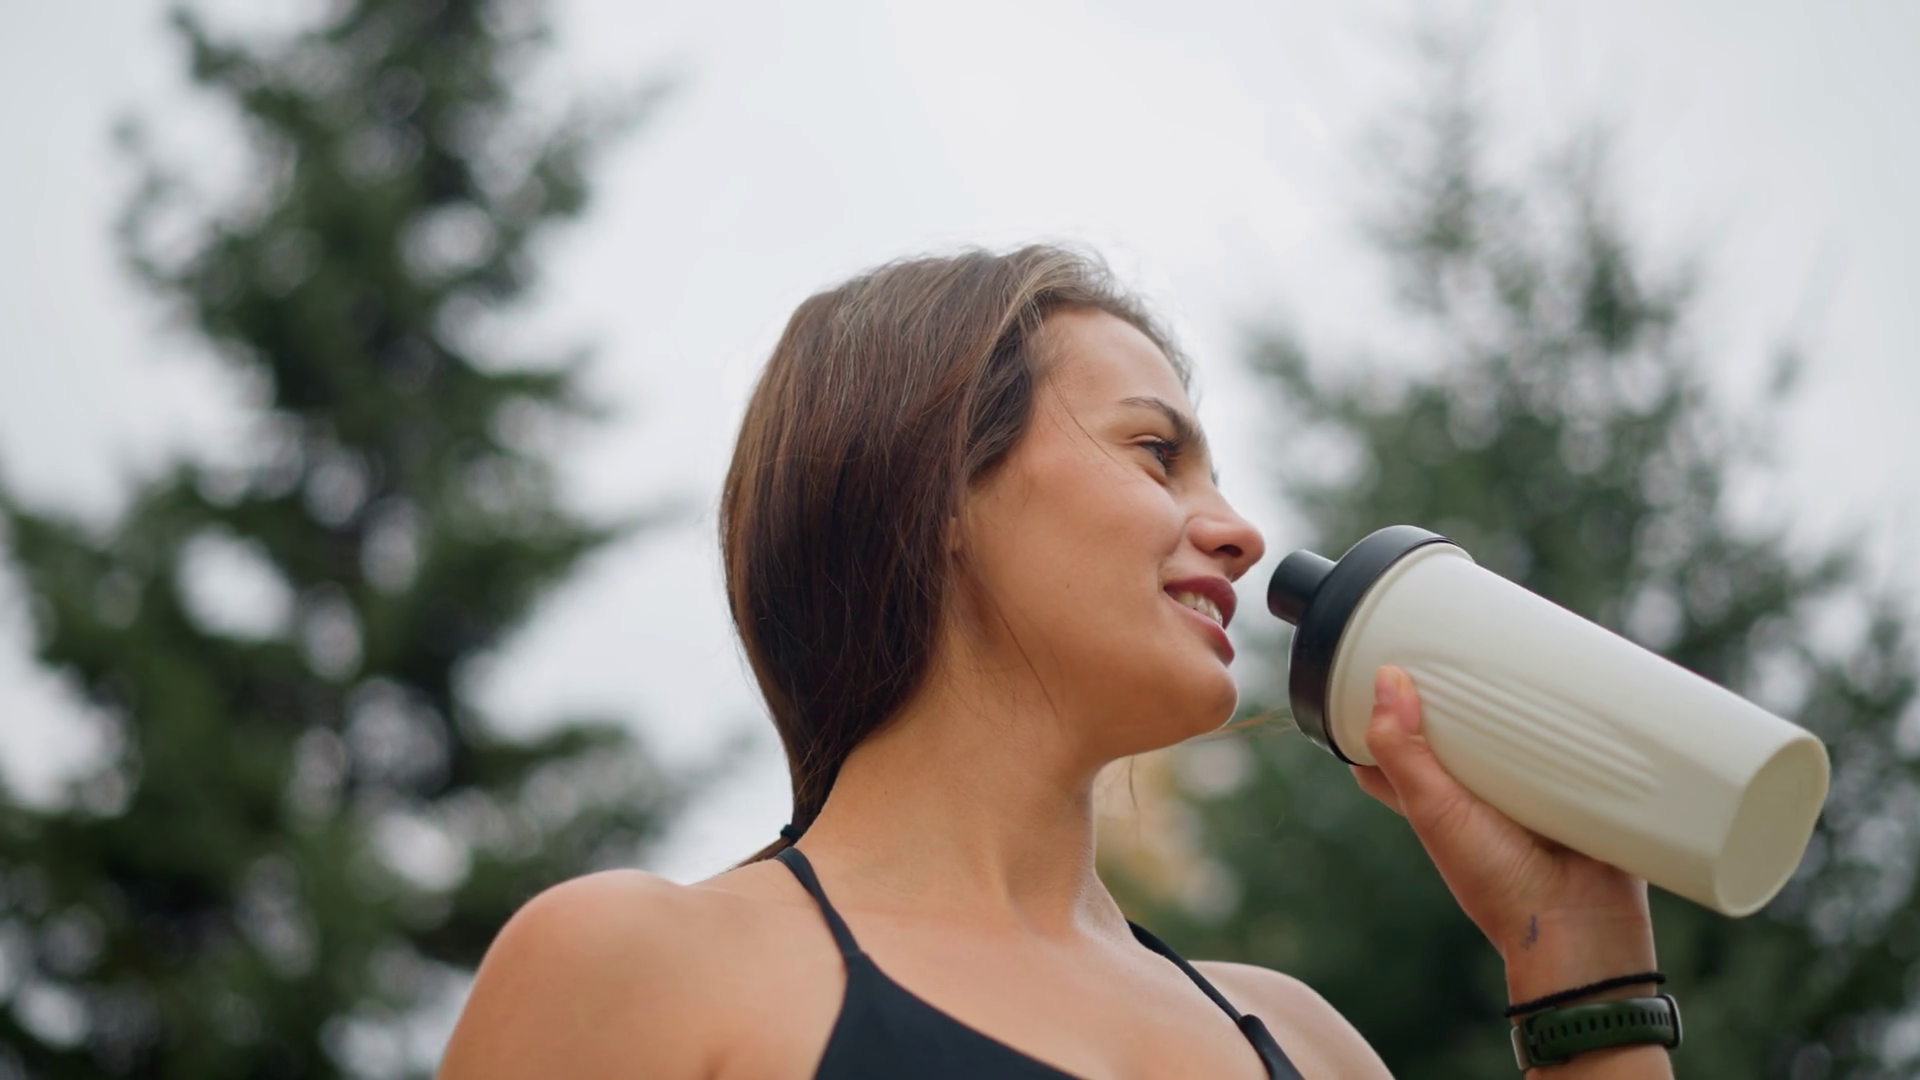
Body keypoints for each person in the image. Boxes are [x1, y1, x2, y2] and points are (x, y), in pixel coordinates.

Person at [438, 247, 1674, 1078]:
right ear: (935, 492)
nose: (1241, 530)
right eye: (1156, 454)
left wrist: (1581, 976)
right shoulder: (638, 972)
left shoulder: (1299, 1046)